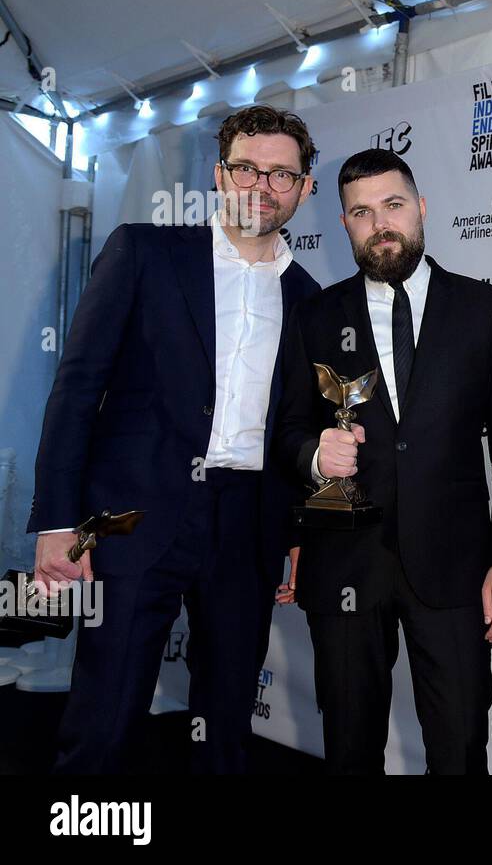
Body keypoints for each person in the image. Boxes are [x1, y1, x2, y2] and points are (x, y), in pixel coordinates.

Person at [27, 105, 321, 772]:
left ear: (305, 187)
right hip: (133, 514)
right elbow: (76, 388)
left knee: (225, 726)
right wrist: (56, 520)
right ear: (220, 175)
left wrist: (299, 531)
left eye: (282, 173)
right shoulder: (144, 251)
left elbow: (301, 429)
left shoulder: (313, 299)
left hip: (248, 523)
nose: (262, 185)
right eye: (247, 167)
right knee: (104, 716)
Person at [275, 148, 492, 774]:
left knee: (461, 745)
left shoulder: (483, 309)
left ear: (421, 208)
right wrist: (314, 455)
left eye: (393, 205)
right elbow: (285, 430)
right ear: (344, 224)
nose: (380, 223)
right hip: (344, 561)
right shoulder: (314, 316)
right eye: (361, 212)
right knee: (350, 748)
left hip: (455, 566)